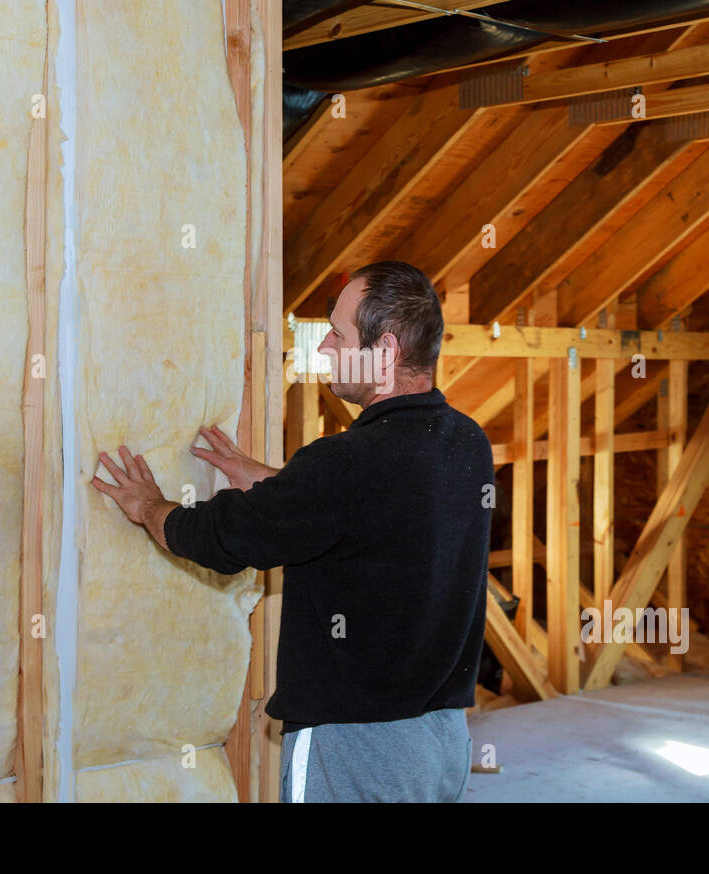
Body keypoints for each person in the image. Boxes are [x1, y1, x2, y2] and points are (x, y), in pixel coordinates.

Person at [92, 260, 494, 802]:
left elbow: (217, 539)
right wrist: (272, 482)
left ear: (387, 351)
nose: (324, 348)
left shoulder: (344, 465)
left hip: (356, 752)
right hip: (441, 743)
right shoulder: (466, 443)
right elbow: (375, 512)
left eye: (337, 333)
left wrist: (148, 506)